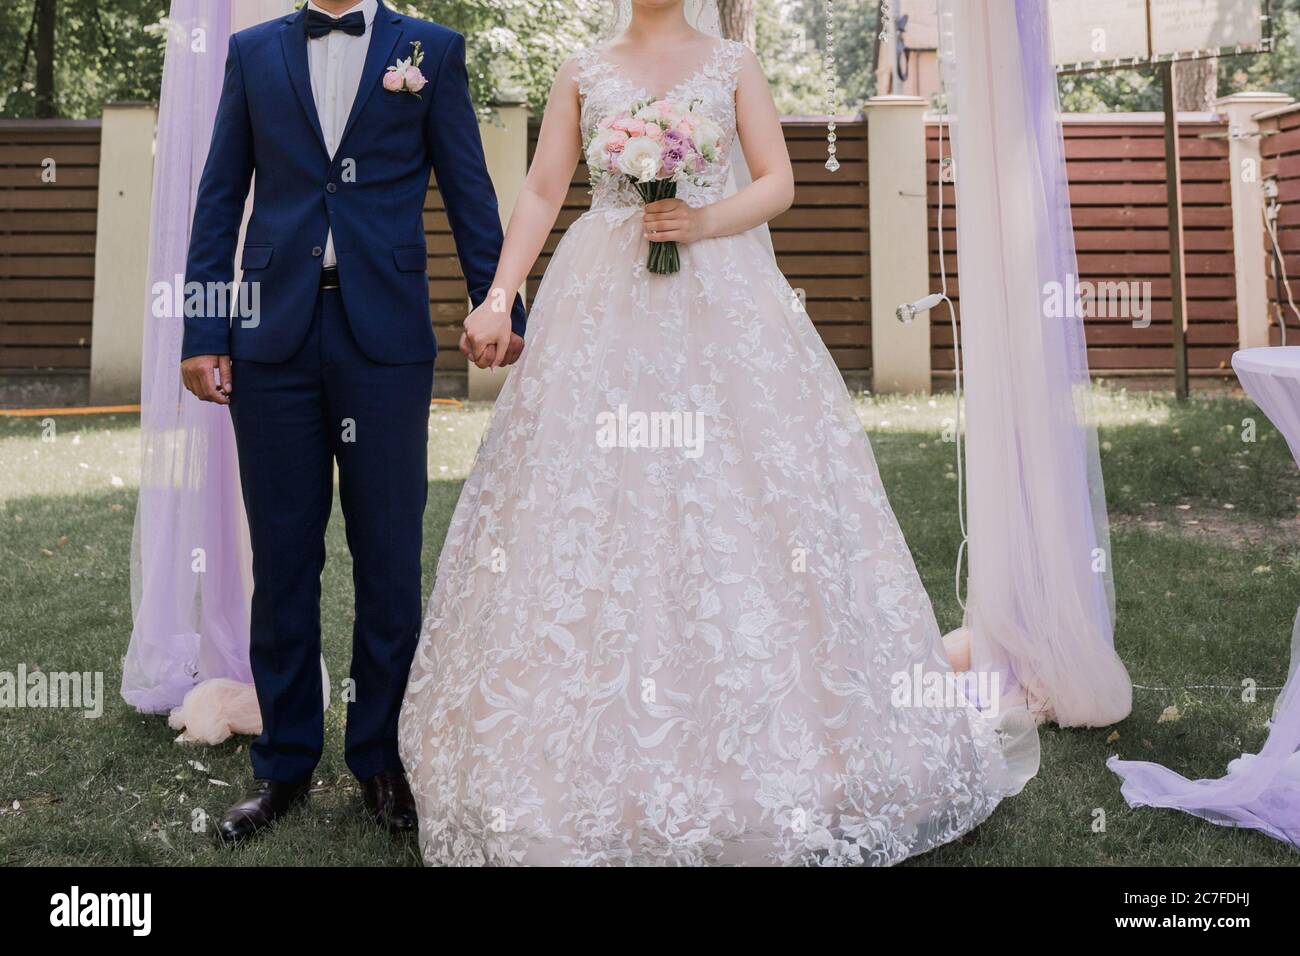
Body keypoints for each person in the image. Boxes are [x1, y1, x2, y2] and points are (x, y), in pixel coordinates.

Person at [398, 0, 1034, 866]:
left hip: (719, 297)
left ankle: (789, 761)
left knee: (744, 502)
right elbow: (547, 188)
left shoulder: (733, 64)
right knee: (588, 510)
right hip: (602, 302)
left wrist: (700, 220)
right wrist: (501, 293)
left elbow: (777, 181)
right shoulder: (582, 69)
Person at [179, 0, 525, 844]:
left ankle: (381, 759)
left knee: (388, 558)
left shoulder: (431, 50)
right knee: (286, 558)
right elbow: (220, 195)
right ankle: (284, 766)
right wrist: (201, 328)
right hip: (272, 341)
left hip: (386, 340)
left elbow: (468, 186)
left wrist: (501, 304)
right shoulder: (254, 52)